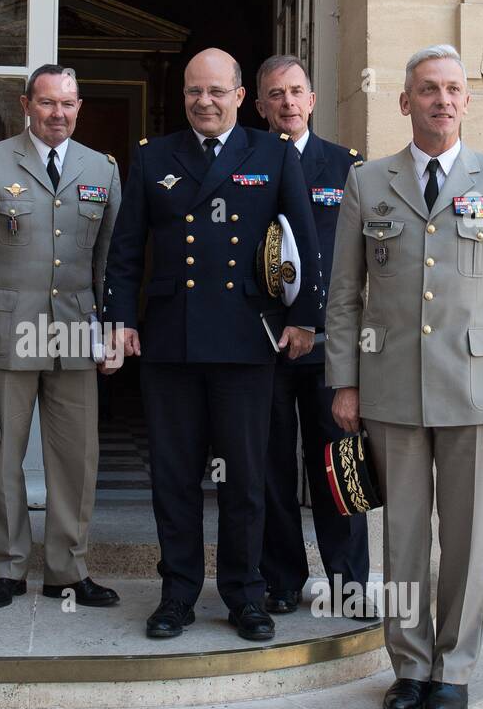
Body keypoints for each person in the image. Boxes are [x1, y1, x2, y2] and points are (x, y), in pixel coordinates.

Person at [326, 44, 483, 709]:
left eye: (453, 89)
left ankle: (454, 666)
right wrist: (345, 381)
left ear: (467, 102)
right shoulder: (368, 183)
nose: (441, 100)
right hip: (391, 387)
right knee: (405, 540)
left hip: (476, 389)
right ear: (405, 101)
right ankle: (410, 664)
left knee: (468, 539)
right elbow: (343, 295)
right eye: (427, 89)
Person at [103, 48, 321, 642]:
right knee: (173, 477)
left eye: (217, 92)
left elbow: (305, 239)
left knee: (246, 478)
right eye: (195, 92)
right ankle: (176, 594)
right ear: (184, 98)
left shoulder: (271, 154)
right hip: (171, 340)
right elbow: (126, 252)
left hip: (247, 340)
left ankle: (245, 594)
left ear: (239, 96)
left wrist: (304, 318)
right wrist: (121, 318)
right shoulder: (154, 158)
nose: (205, 101)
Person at [0, 65, 121, 610]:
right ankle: (5, 567)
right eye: (47, 104)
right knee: (3, 458)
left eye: (68, 104)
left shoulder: (103, 168)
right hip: (7, 331)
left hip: (74, 330)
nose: (58, 114)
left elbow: (111, 264)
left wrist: (111, 334)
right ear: (27, 104)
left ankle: (67, 568)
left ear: (79, 107)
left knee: (76, 457)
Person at [253, 55, 371, 618]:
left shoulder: (346, 167)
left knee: (338, 464)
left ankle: (350, 581)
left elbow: (364, 260)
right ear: (259, 106)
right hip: (265, 343)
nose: (288, 103)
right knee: (271, 465)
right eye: (275, 95)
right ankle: (280, 580)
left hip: (329, 347)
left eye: (296, 91)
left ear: (313, 99)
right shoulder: (245, 163)